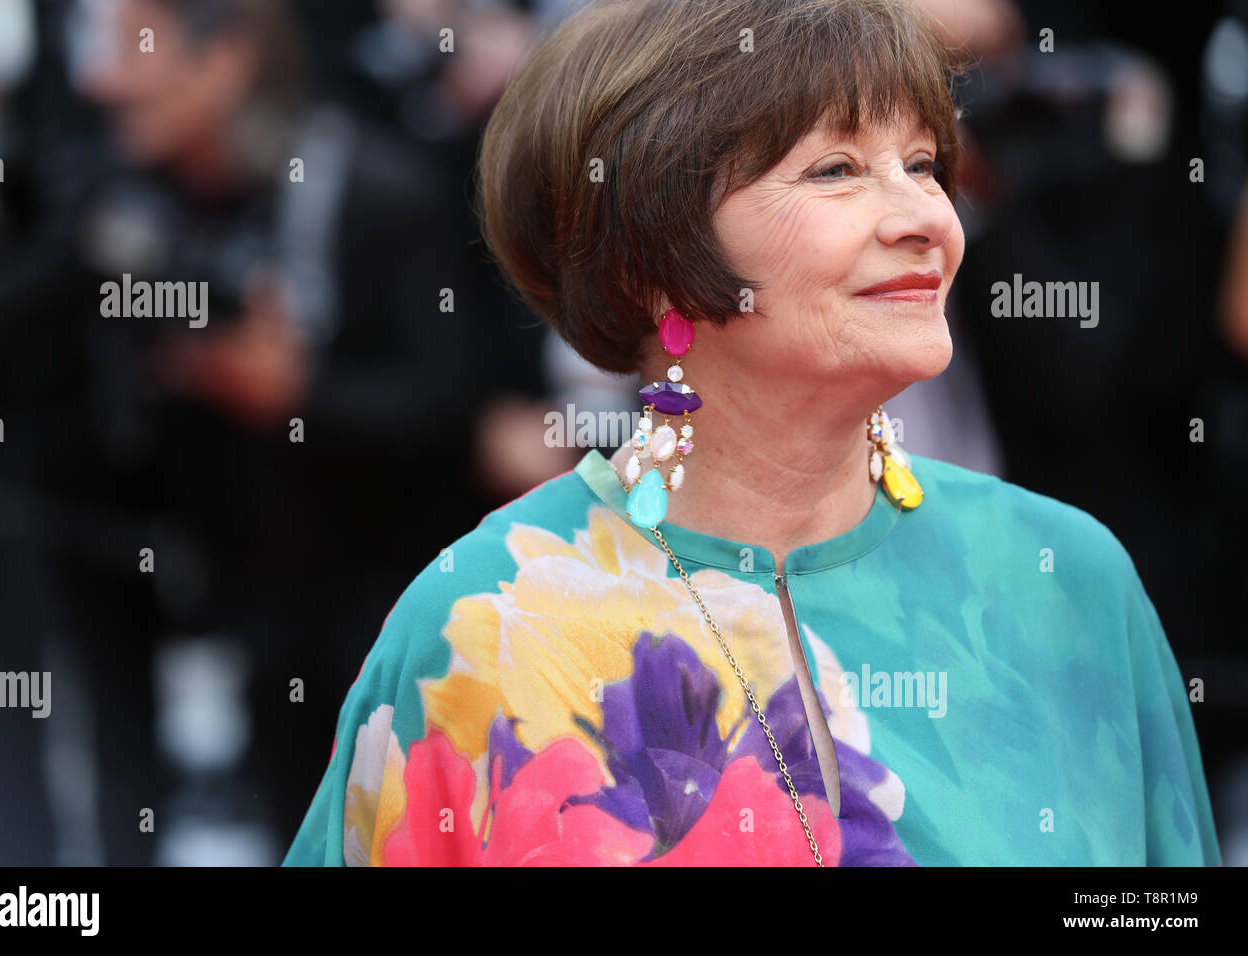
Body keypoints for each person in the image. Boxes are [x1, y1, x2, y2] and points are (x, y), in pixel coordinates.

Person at [283, 0, 1221, 866]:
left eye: (925, 164)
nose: (925, 218)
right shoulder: (479, 624)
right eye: (838, 169)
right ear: (650, 261)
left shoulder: (1063, 577)